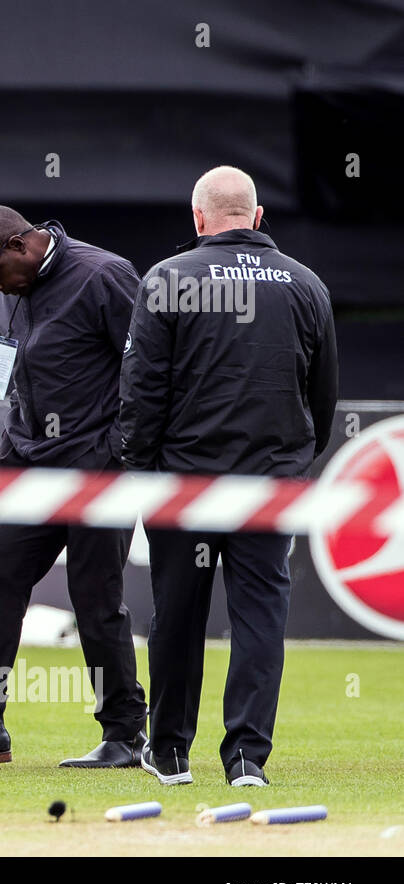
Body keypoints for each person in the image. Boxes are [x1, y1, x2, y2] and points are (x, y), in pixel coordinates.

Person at [121, 166, 338, 787]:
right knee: (261, 618)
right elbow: (321, 396)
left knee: (178, 616)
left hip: (184, 484)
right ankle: (246, 757)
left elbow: (140, 392)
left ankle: (169, 753)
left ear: (198, 219)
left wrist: (140, 470)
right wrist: (296, 463)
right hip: (270, 485)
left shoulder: (169, 278)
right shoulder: (305, 284)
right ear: (258, 216)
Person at [0, 205, 148, 768]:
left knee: (95, 598)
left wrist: (116, 452)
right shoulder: (6, 294)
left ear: (21, 246)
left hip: (98, 472)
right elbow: (11, 373)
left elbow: (147, 373)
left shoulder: (106, 275)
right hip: (30, 467)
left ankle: (123, 735)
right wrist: (12, 453)